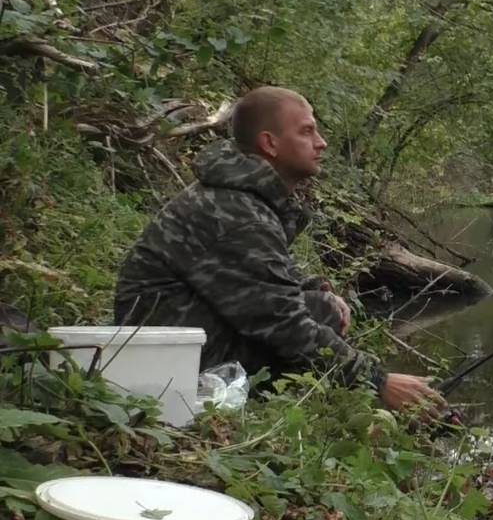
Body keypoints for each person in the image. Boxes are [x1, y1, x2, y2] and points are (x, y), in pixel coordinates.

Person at [113, 86, 444, 416]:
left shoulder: (244, 198)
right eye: (306, 132)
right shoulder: (237, 213)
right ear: (270, 143)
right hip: (166, 360)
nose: (321, 142)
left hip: (185, 336)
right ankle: (329, 414)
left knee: (322, 307)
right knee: (310, 325)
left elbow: (262, 277)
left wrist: (316, 288)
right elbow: (283, 324)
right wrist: (378, 380)